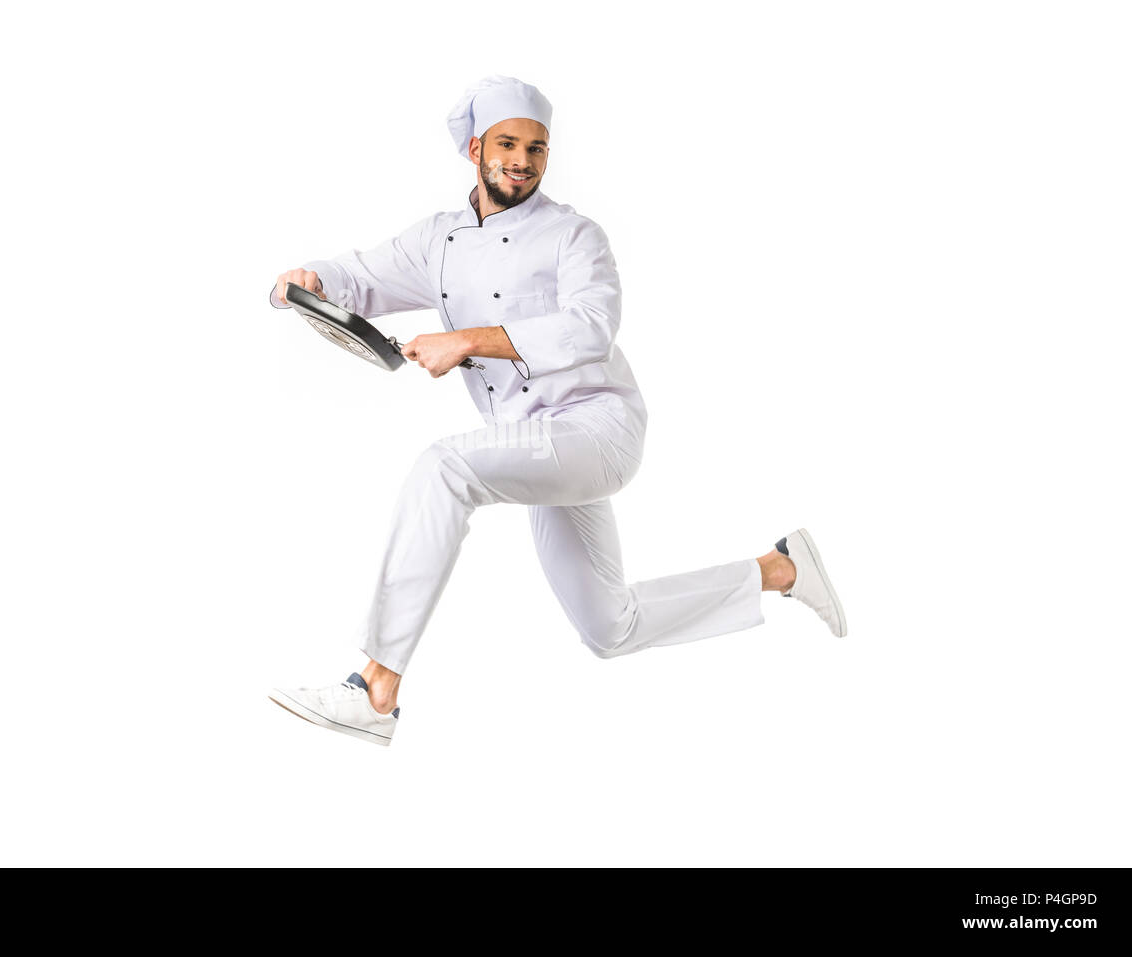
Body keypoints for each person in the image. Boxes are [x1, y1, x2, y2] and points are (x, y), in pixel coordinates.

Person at [266, 75, 846, 747]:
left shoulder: (575, 236)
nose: (522, 161)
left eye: (536, 148)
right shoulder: (438, 240)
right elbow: (361, 278)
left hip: (596, 428)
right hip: (527, 439)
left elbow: (590, 327)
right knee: (610, 626)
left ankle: (375, 689)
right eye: (507, 145)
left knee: (444, 468)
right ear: (476, 150)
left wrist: (468, 340)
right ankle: (780, 569)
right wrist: (307, 280)